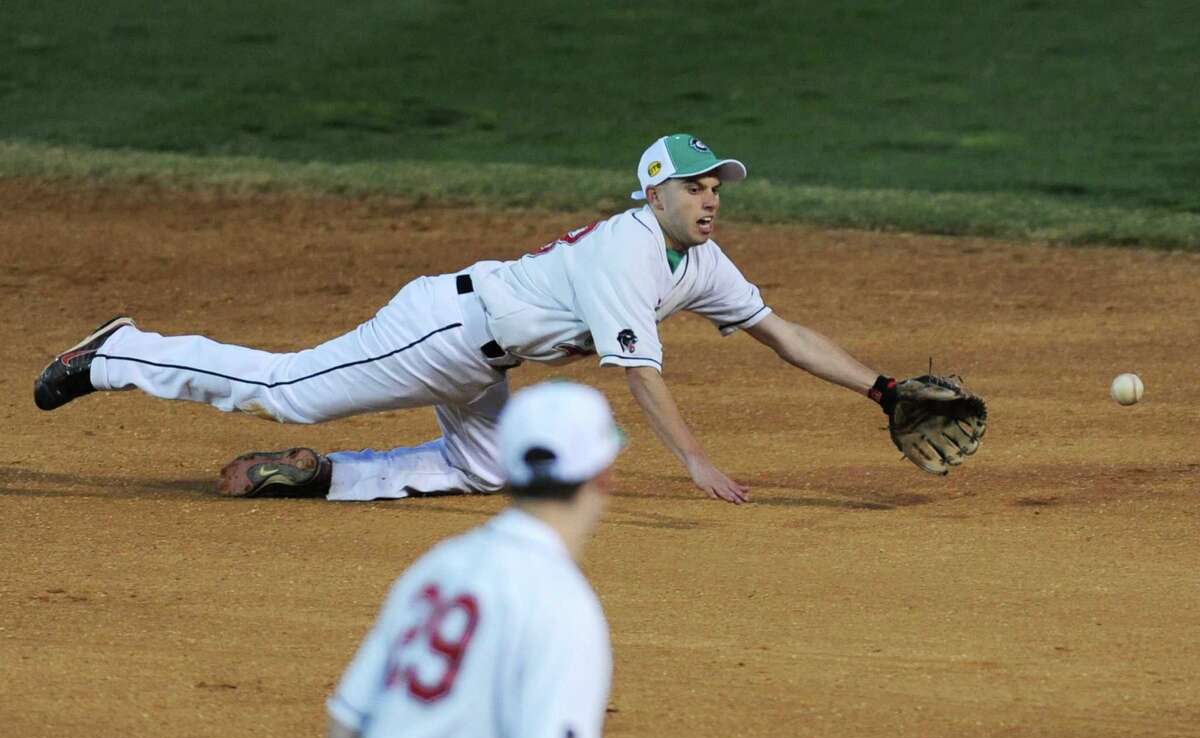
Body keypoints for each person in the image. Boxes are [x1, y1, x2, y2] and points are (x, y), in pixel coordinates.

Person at [34, 133, 900, 504]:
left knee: (486, 471)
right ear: (653, 191)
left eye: (716, 188)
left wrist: (885, 389)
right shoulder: (624, 253)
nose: (709, 200)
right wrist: (697, 461)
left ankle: (325, 479)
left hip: (485, 359)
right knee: (286, 389)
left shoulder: (699, 259)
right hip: (442, 332)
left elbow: (782, 333)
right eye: (693, 187)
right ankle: (116, 353)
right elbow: (642, 372)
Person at [325, 380, 619, 738]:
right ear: (604, 477)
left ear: (508, 473)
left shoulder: (439, 567)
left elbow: (348, 724)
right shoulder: (562, 604)